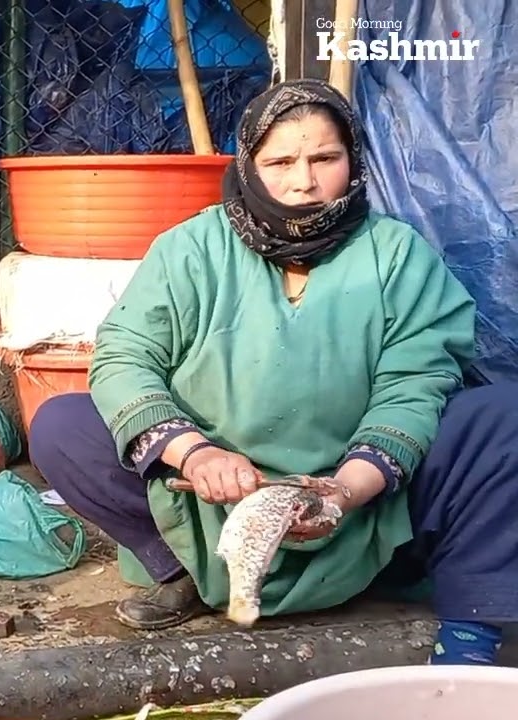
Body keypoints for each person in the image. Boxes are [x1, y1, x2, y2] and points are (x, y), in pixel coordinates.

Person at [28, 78, 518, 666]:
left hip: (359, 505)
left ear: (353, 162)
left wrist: (345, 489)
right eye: (281, 160)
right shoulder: (192, 249)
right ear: (250, 165)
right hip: (213, 497)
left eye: (325, 158)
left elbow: (414, 384)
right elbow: (126, 356)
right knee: (63, 425)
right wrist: (195, 453)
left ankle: (469, 630)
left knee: (498, 418)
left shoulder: (397, 253)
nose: (304, 181)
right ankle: (186, 567)